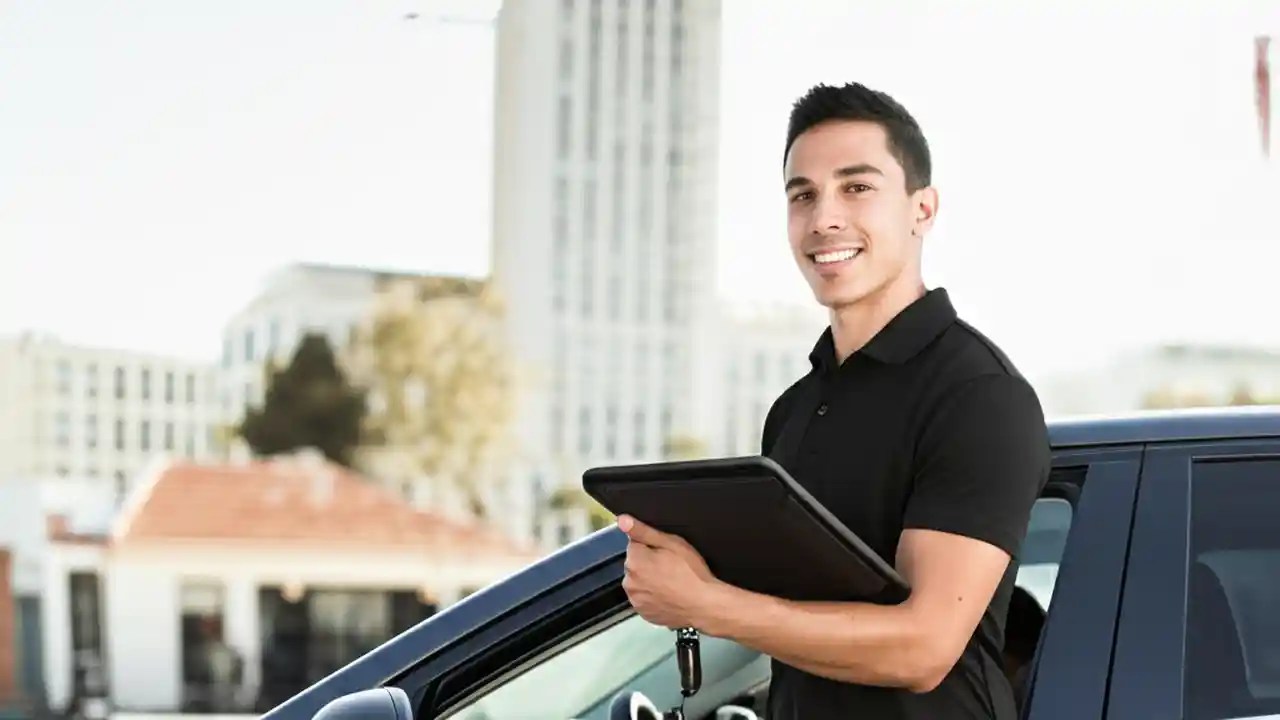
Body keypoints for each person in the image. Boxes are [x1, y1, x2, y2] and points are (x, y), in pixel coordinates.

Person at [616, 81, 1051, 719]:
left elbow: (922, 648)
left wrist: (706, 604)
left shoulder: (980, 396)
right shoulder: (793, 411)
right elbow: (791, 623)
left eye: (858, 187)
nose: (824, 218)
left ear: (922, 209)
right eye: (803, 195)